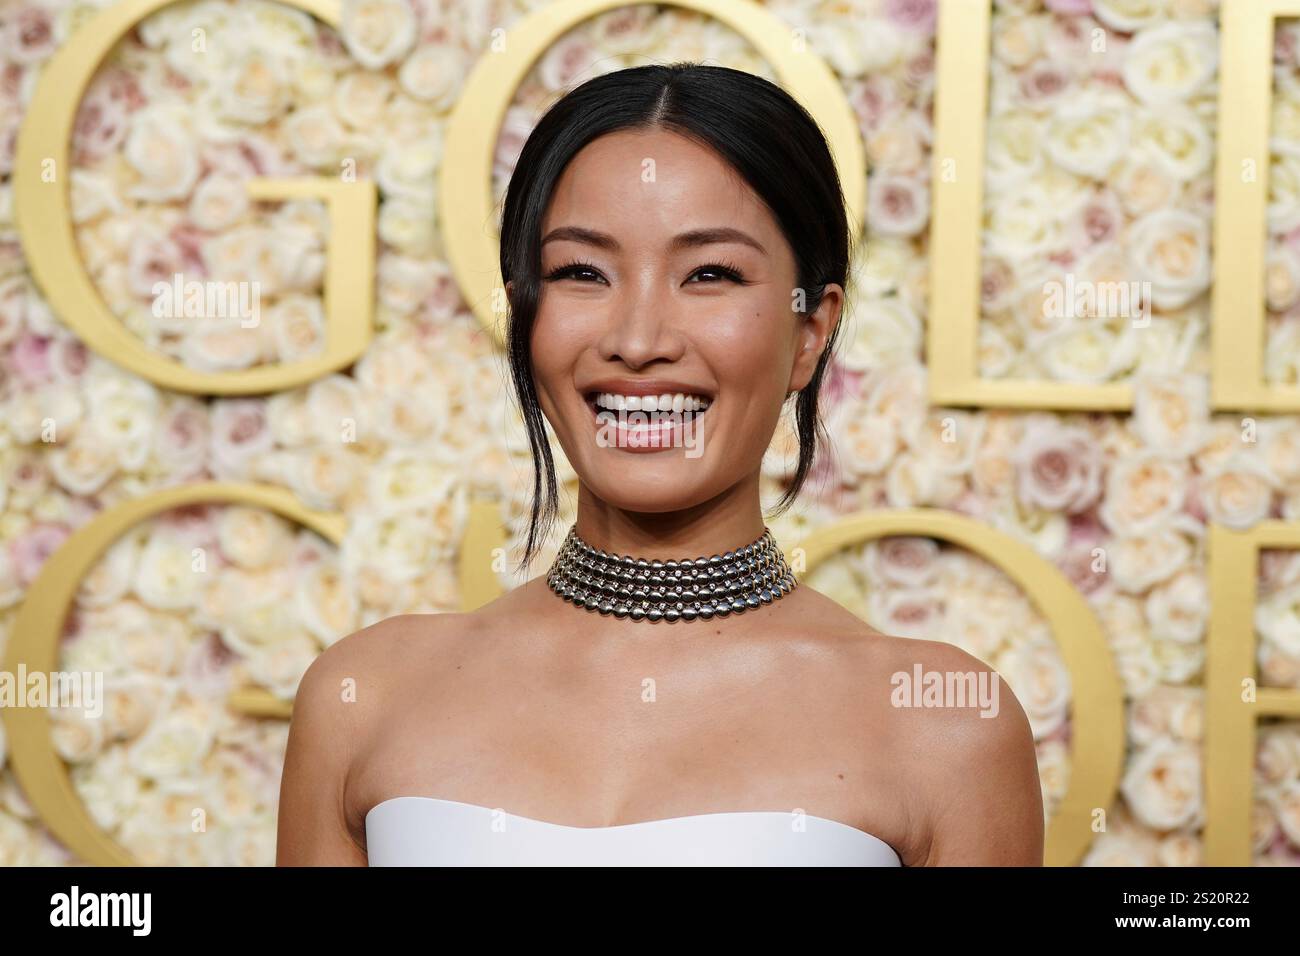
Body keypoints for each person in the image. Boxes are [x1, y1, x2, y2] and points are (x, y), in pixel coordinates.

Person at [276, 62, 1044, 866]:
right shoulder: (362, 696)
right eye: (582, 273)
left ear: (811, 331)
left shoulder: (946, 724)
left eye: (709, 274)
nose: (639, 340)